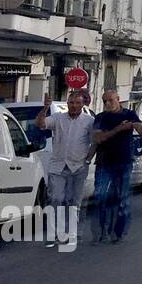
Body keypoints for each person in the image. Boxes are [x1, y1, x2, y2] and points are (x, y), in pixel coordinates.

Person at [91, 90, 142, 244]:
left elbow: (140, 129)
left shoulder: (129, 114)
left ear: (118, 100)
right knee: (101, 196)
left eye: (110, 100)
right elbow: (99, 138)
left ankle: (118, 232)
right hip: (104, 163)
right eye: (104, 100)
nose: (107, 103)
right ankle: (103, 231)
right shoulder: (100, 118)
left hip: (124, 162)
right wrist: (119, 129)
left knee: (122, 198)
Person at [35, 91, 94, 231]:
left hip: (78, 166)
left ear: (82, 104)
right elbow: (40, 124)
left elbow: (95, 141)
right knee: (56, 198)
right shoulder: (57, 118)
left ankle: (71, 230)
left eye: (78, 103)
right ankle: (54, 230)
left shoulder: (89, 121)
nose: (74, 106)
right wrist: (45, 108)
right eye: (71, 103)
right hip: (58, 166)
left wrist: (88, 159)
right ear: (67, 104)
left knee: (74, 202)